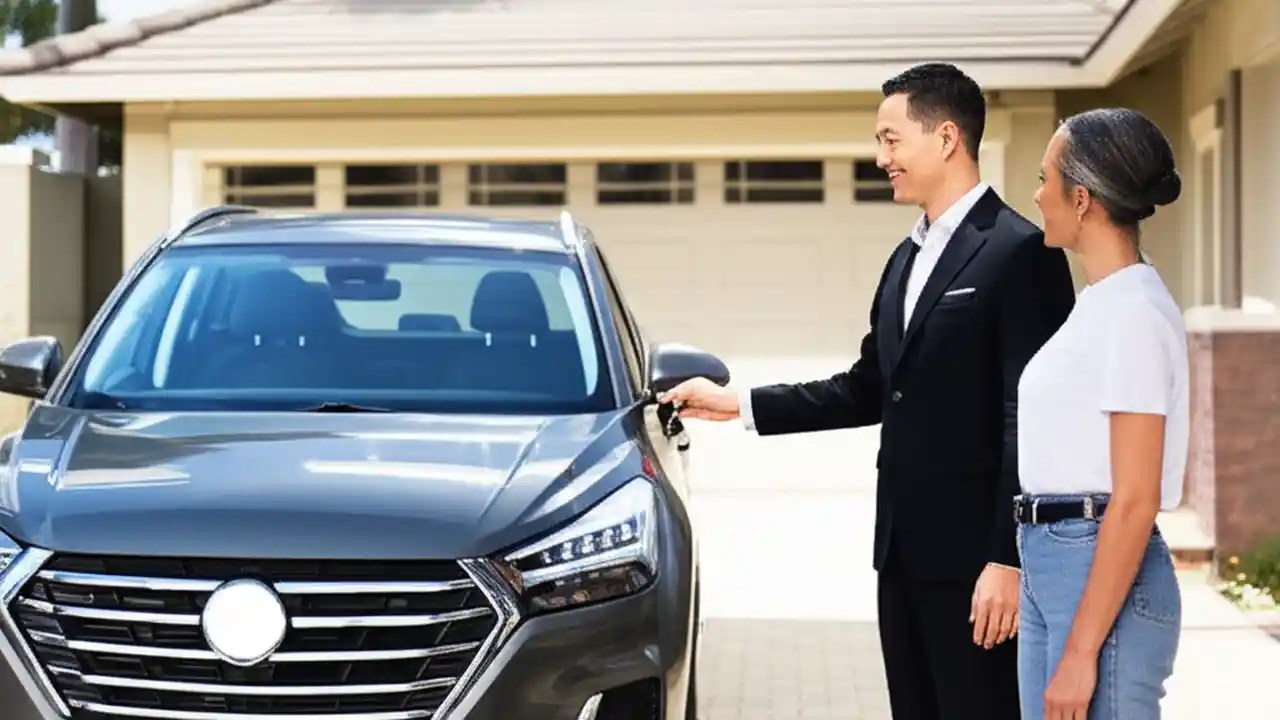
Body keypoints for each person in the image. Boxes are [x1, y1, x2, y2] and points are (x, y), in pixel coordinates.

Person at [659, 62, 1076, 720]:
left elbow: (1032, 419)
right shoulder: (905, 258)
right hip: (902, 556)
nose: (880, 157)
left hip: (978, 567)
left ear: (945, 139)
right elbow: (868, 388)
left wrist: (1008, 559)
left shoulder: (1021, 253)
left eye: (890, 139)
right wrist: (741, 406)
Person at [1015, 108, 1186, 720]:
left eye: (1044, 178)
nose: (1036, 195)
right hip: (1053, 558)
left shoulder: (1133, 314)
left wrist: (1082, 652)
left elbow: (1136, 497)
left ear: (1081, 198)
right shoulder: (1100, 305)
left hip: (1096, 563)